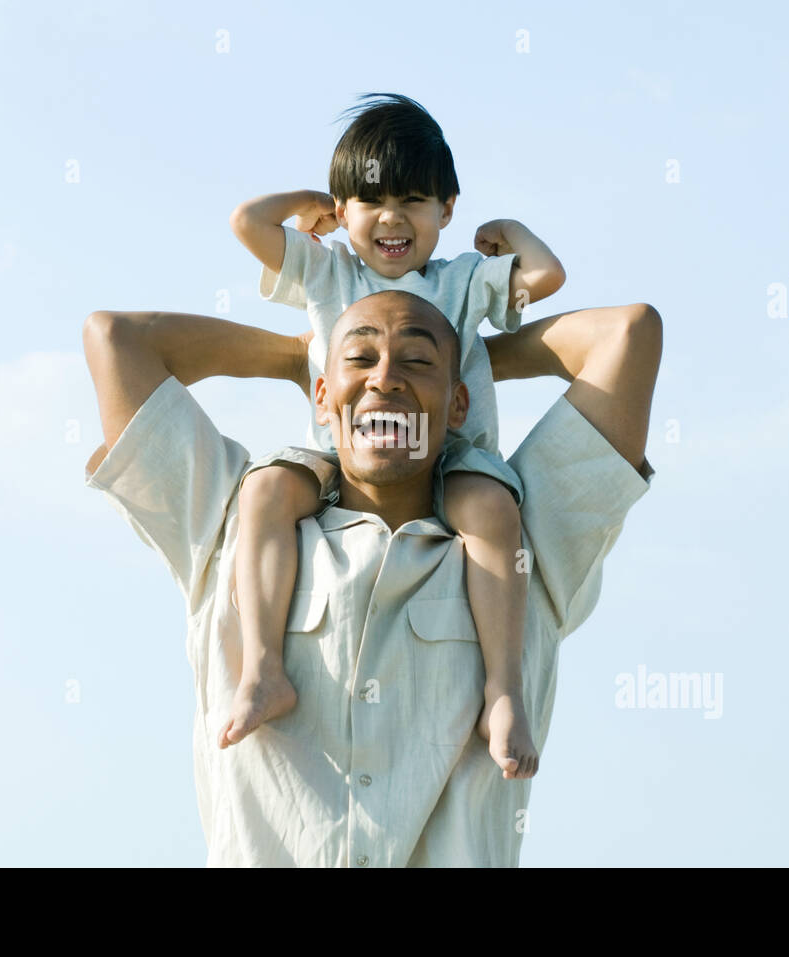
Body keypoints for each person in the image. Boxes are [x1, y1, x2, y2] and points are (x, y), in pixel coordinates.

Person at [82, 289, 661, 867]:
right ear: (322, 395)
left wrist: (476, 357)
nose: (385, 379)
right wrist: (293, 355)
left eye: (417, 361)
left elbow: (627, 334)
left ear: (459, 404)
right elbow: (118, 339)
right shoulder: (237, 522)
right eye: (359, 359)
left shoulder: (518, 545)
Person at [226, 93, 566, 779]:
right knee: (263, 491)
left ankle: (503, 691)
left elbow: (546, 276)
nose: (391, 218)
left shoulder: (462, 280)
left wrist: (512, 228)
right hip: (341, 453)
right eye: (370, 200)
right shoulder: (329, 271)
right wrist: (309, 201)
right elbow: (246, 224)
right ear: (344, 210)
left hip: (452, 453)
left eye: (414, 200)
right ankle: (263, 667)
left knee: (495, 511)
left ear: (447, 209)